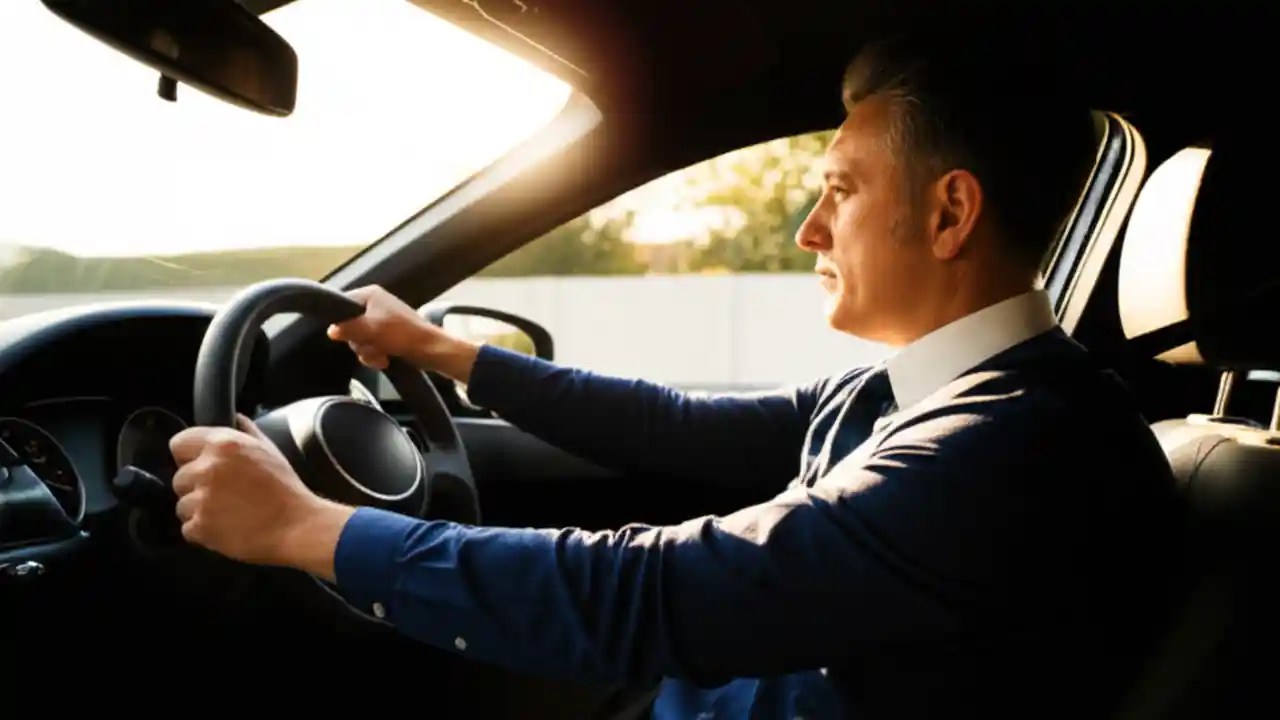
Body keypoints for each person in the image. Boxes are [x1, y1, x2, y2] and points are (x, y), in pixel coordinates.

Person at [167, 35, 1182, 719]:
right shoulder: (912, 394)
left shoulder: (1012, 446)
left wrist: (304, 529)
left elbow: (651, 594)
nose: (806, 229)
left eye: (838, 192)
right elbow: (684, 428)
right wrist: (448, 353)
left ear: (949, 214)